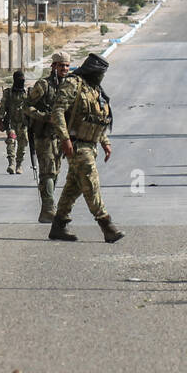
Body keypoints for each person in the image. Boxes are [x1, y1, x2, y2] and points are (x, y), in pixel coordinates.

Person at [47, 53, 123, 243]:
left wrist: (104, 141)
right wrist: (65, 139)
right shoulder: (74, 84)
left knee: (73, 187)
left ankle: (59, 226)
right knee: (90, 183)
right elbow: (57, 112)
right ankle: (106, 225)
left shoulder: (94, 89)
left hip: (91, 144)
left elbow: (95, 118)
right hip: (77, 144)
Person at [27, 52, 70, 222]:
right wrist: (45, 117)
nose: (64, 69)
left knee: (55, 172)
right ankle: (48, 209)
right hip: (44, 136)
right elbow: (26, 106)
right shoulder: (43, 85)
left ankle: (48, 209)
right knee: (48, 173)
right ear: (53, 66)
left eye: (66, 66)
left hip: (61, 137)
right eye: (61, 65)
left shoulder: (69, 85)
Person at [0, 70, 30, 175]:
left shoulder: (27, 93)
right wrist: (1, 120)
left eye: (22, 80)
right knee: (11, 141)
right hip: (11, 122)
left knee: (22, 144)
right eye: (19, 80)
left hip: (23, 123)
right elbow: (2, 106)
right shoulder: (8, 92)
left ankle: (19, 165)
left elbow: (31, 107)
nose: (21, 82)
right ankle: (11, 164)